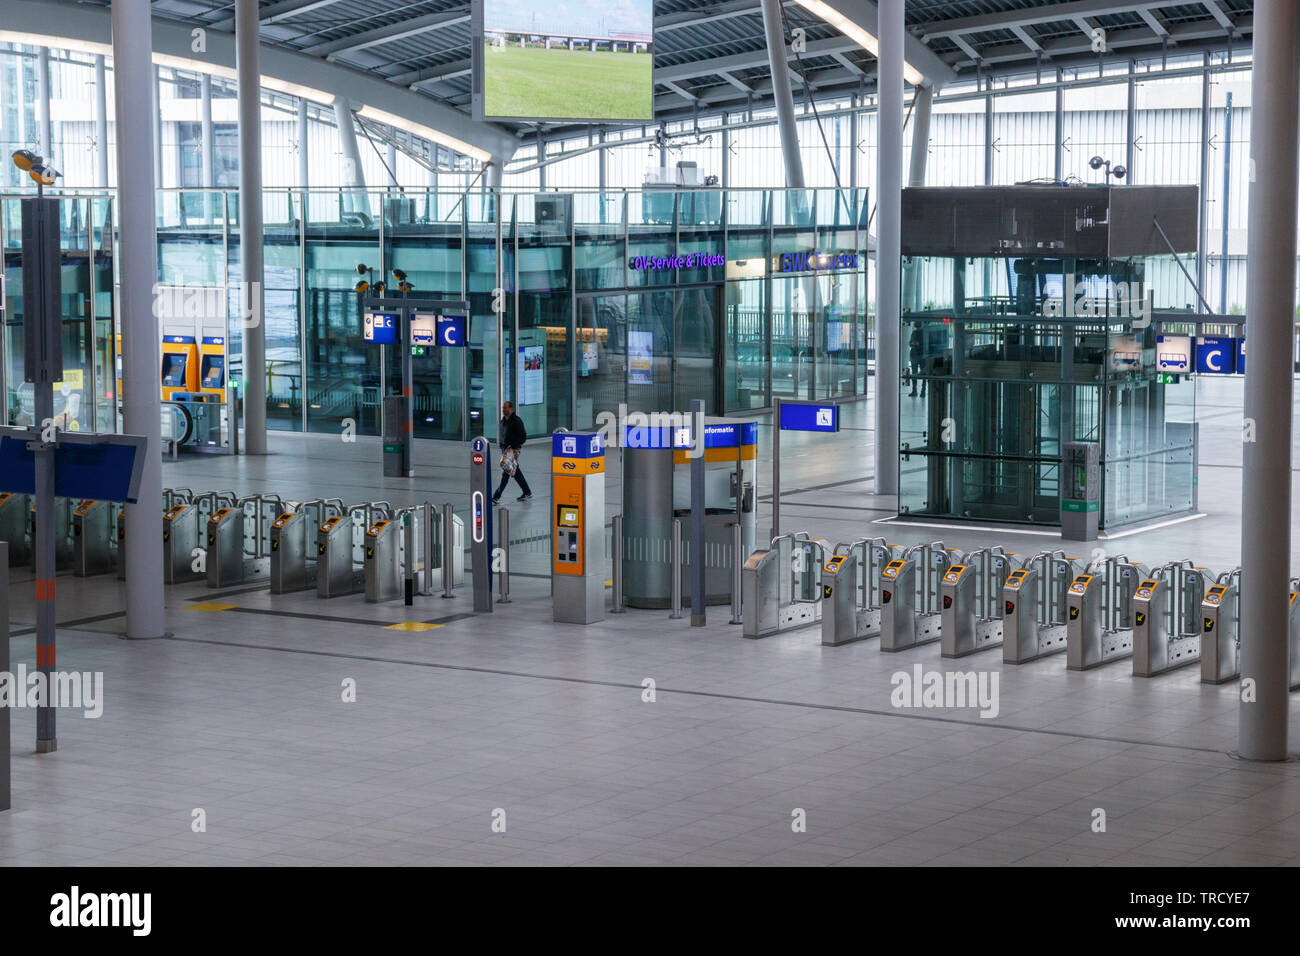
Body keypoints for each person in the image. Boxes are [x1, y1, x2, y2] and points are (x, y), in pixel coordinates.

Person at [493, 401, 532, 503]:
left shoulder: (516, 421)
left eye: (505, 408)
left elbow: (523, 437)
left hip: (513, 450)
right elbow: (503, 436)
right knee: (515, 471)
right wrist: (502, 446)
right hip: (505, 450)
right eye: (503, 408)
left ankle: (496, 496)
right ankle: (527, 492)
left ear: (511, 409)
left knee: (506, 473)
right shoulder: (503, 421)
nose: (503, 410)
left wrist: (513, 447)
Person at [907, 323, 926, 398]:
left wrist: (914, 344)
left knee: (921, 373)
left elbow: (912, 343)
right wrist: (915, 344)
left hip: (919, 354)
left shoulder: (918, 333)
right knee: (919, 373)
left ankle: (919, 391)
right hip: (918, 354)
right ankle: (920, 391)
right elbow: (910, 343)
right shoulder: (916, 333)